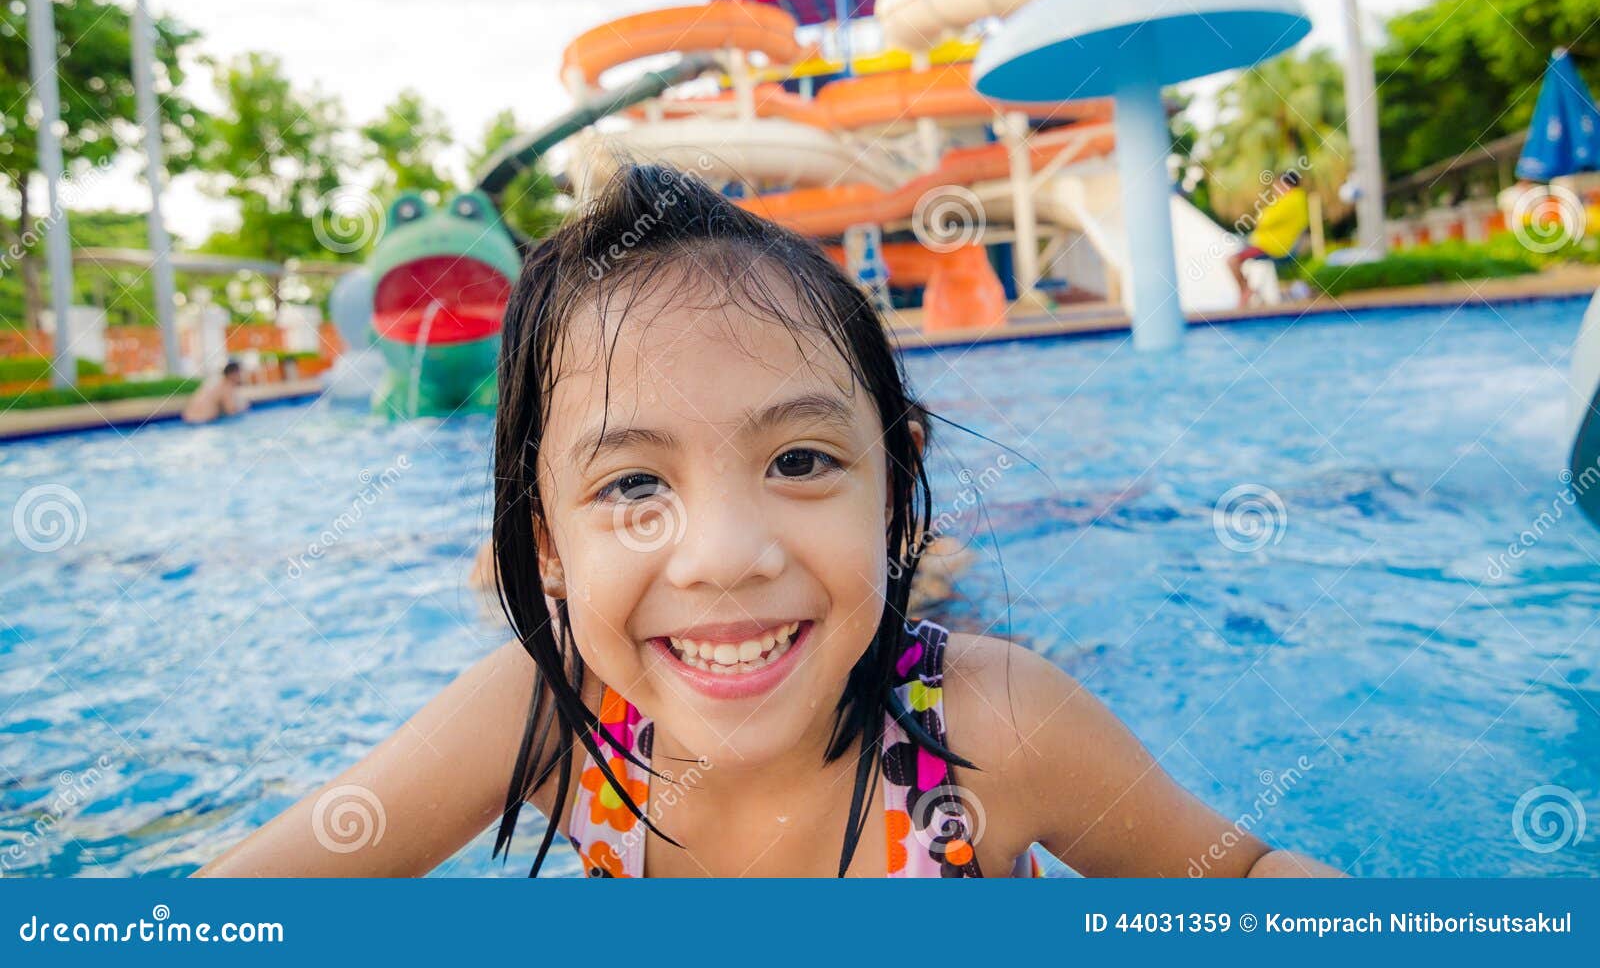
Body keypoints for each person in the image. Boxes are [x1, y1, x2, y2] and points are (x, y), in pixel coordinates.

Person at [198, 166, 1341, 879]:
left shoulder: (996, 724)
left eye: (800, 459)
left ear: (894, 488)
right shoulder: (543, 717)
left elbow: (1236, 879)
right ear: (543, 542)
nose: (724, 553)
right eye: (631, 485)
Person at [1228, 169, 1310, 308]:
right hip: (1270, 244)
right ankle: (1247, 292)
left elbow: (1263, 220)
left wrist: (1262, 218)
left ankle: (1245, 294)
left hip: (1272, 247)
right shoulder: (1295, 200)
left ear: (1285, 184)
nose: (1275, 189)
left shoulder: (1291, 200)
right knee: (1237, 251)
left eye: (1277, 185)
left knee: (1232, 261)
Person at [180, 360, 249, 424]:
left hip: (187, 418)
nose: (241, 376)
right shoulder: (226, 386)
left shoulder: (212, 381)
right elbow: (231, 410)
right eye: (240, 373)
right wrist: (244, 408)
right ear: (233, 374)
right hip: (203, 420)